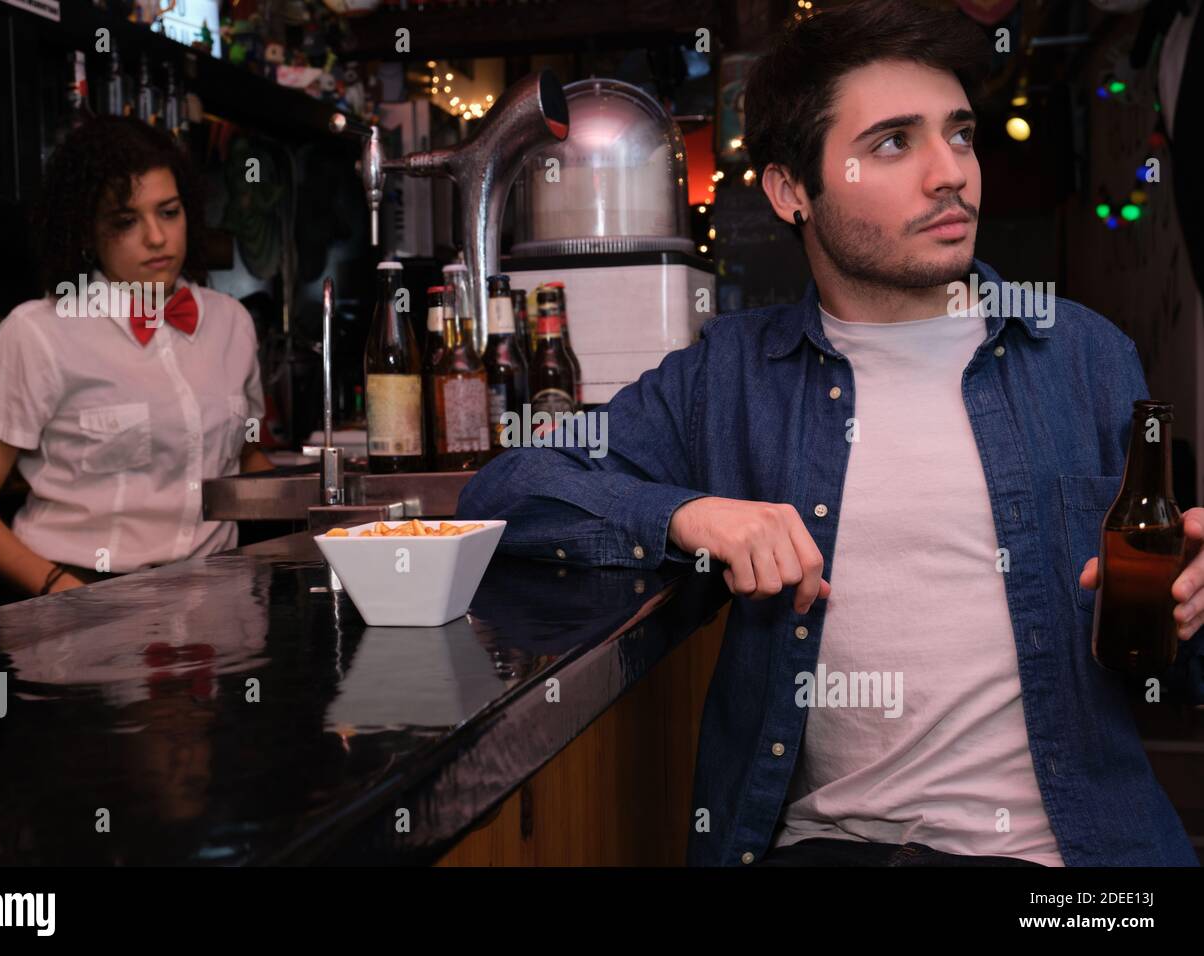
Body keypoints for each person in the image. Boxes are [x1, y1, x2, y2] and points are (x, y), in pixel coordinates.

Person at [456, 0, 1204, 866]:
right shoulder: (729, 376)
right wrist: (688, 515)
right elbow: (508, 490)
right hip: (825, 848)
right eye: (894, 142)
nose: (949, 173)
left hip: (1069, 860)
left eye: (958, 135)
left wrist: (1190, 607)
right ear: (790, 191)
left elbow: (1172, 673)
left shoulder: (1084, 355)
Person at [0, 115, 272, 598]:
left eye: (169, 212)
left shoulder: (231, 323)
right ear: (86, 231)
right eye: (126, 221)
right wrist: (62, 590)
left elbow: (247, 456)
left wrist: (330, 509)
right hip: (84, 594)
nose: (156, 238)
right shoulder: (37, 335)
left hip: (218, 596)